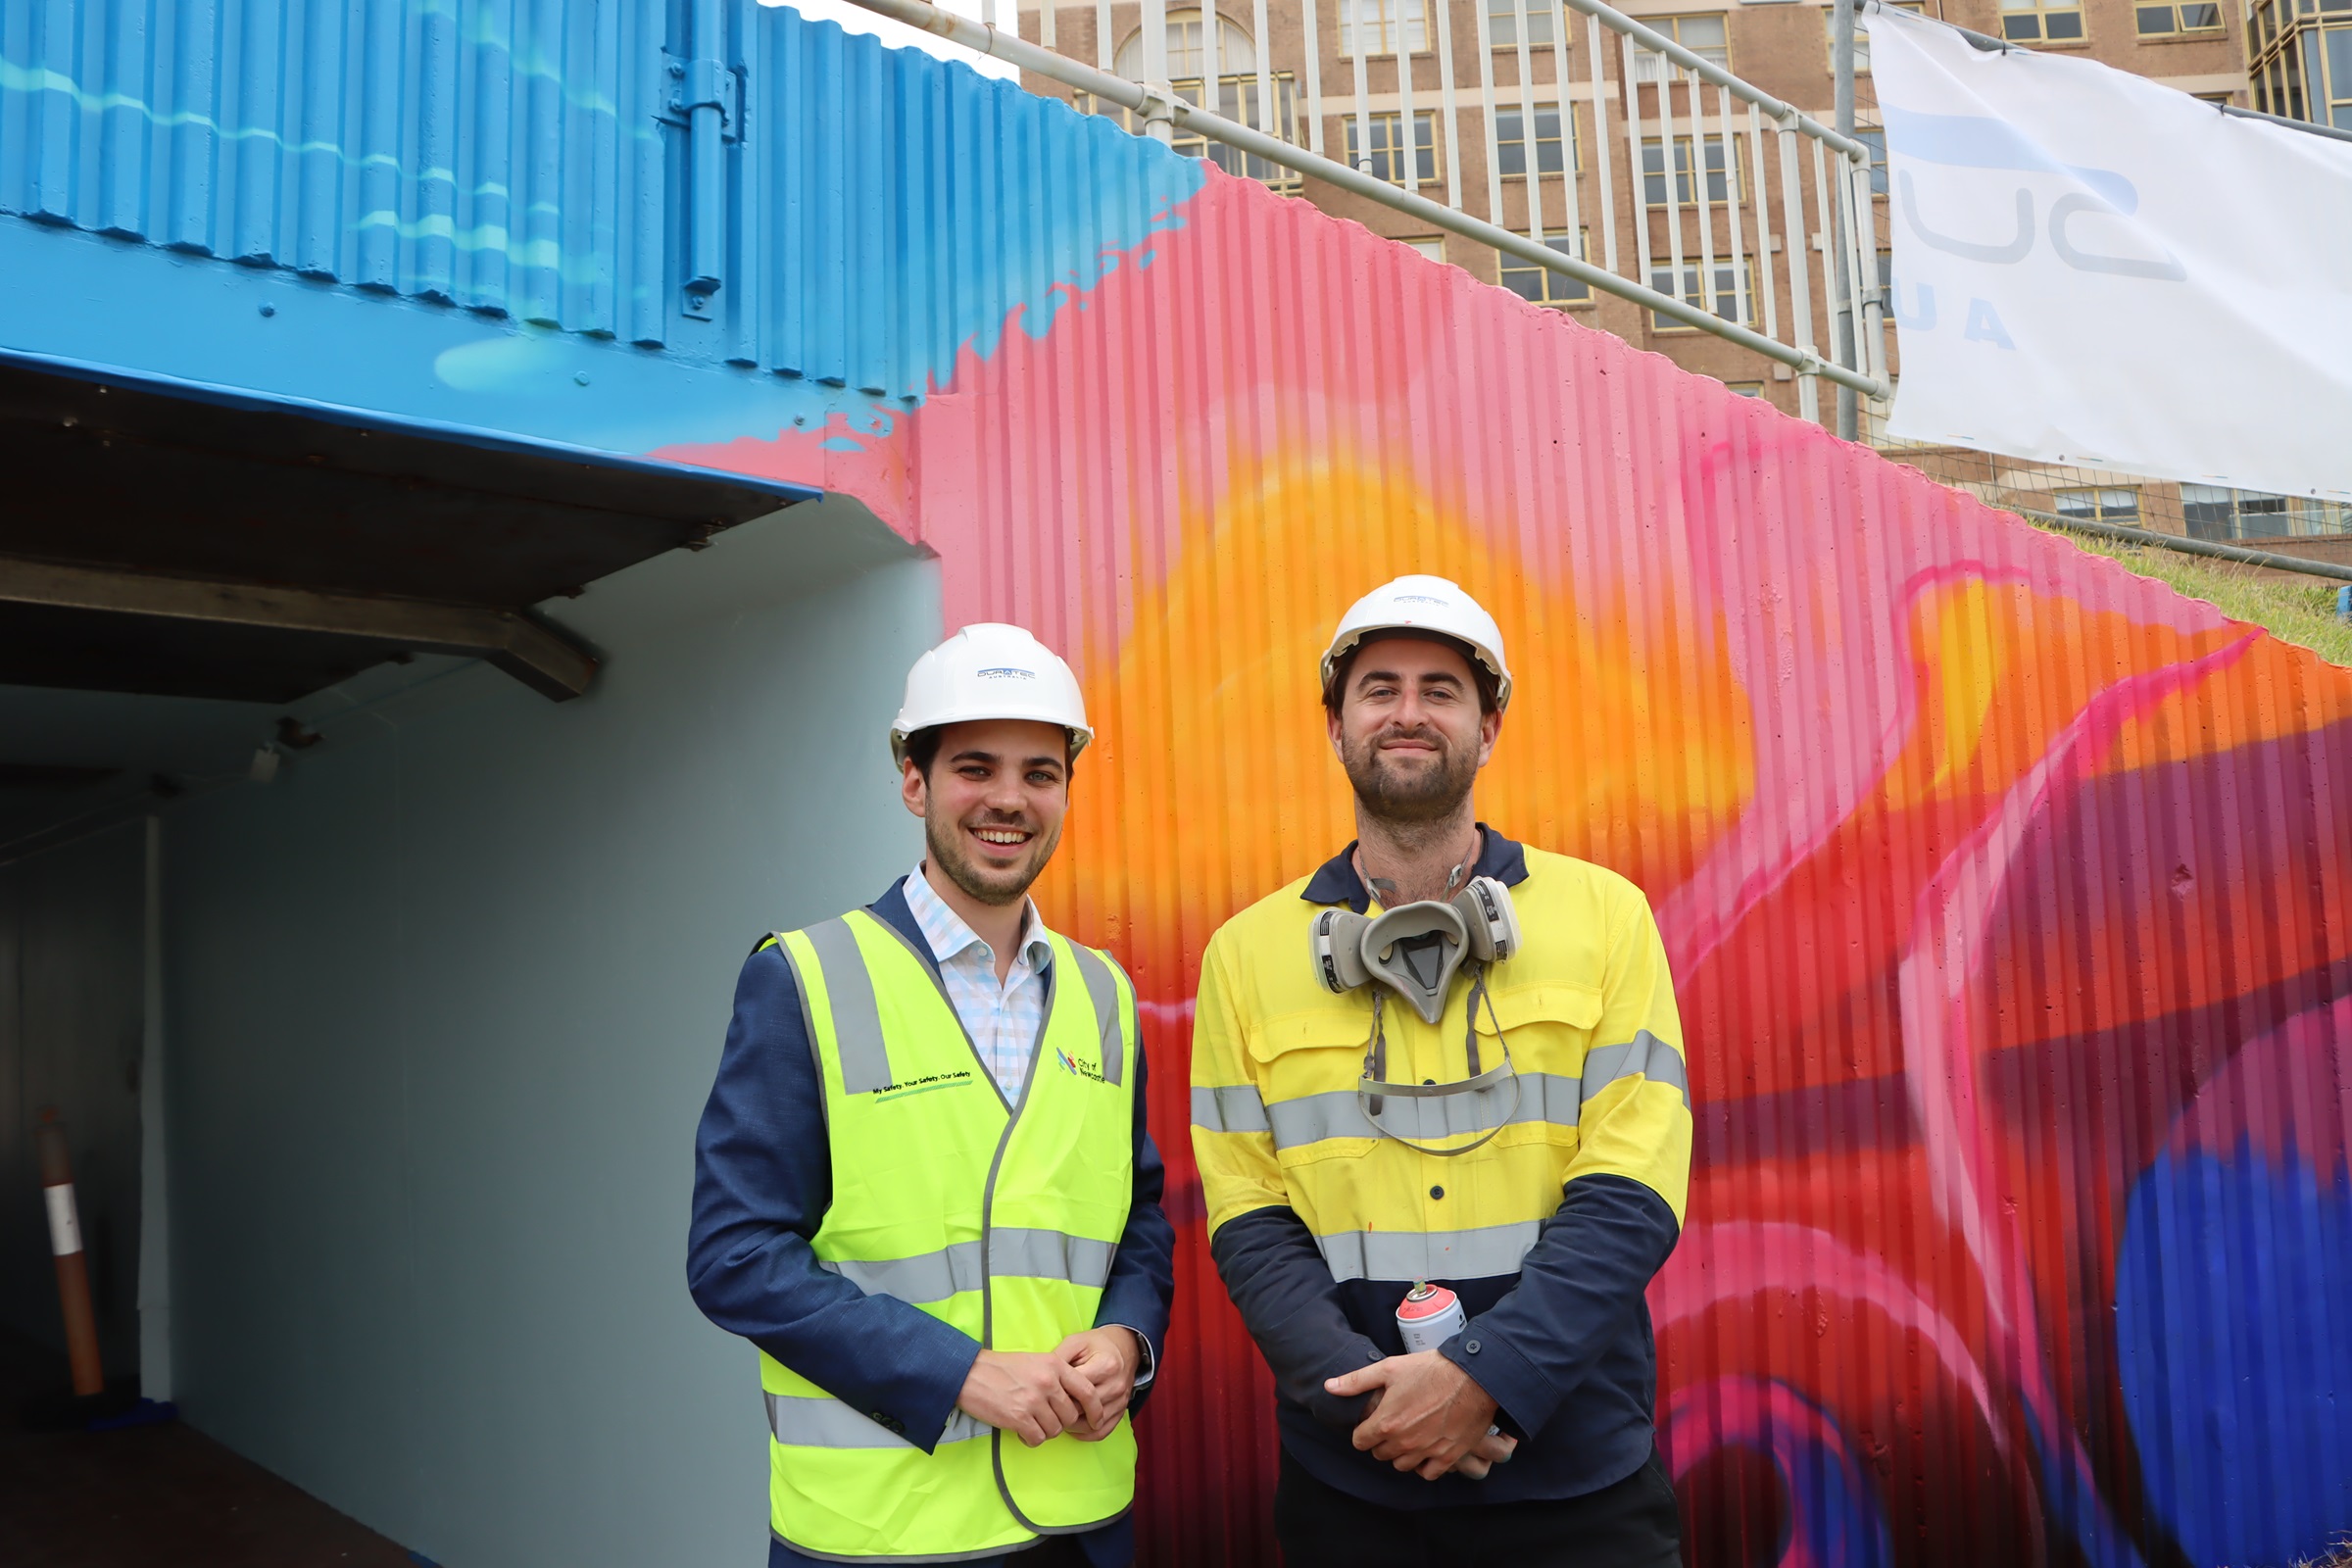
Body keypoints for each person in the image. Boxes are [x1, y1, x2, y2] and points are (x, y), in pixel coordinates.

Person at [1189, 575, 1692, 1567]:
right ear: (1334, 724)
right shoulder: (1244, 955)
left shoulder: (1607, 918)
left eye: (1441, 688)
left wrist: (1483, 1378)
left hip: (1578, 1479)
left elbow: (1631, 1192)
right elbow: (1249, 1221)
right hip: (1354, 1482)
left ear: (1490, 724)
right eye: (1379, 688)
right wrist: (1375, 1402)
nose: (1408, 712)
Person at [690, 623, 1175, 1567]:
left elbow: (1137, 1221)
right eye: (975, 767)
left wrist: (1126, 1339)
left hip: (1078, 1517)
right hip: (883, 1530)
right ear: (914, 781)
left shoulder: (1104, 995)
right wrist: (958, 1374)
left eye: (1040, 772)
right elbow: (734, 1254)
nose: (1008, 799)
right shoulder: (805, 977)